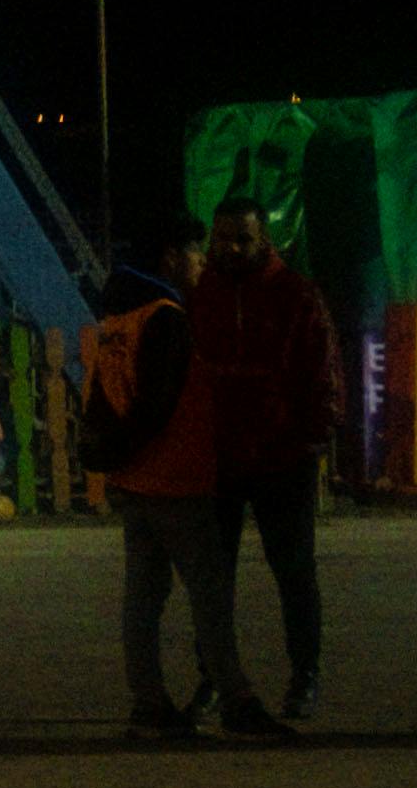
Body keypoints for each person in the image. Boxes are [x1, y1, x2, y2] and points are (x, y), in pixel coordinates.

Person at [84, 249, 278, 739]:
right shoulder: (165, 318)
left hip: (132, 479)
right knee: (210, 594)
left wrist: (118, 457)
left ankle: (148, 702)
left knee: (143, 597)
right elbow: (162, 400)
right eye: (192, 254)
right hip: (175, 477)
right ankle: (236, 697)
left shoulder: (115, 322)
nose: (199, 263)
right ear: (169, 260)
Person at [186, 193, 337, 723]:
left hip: (281, 458)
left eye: (242, 239)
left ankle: (305, 676)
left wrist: (308, 441)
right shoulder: (203, 295)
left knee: (294, 572)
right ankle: (215, 677)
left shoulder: (295, 294)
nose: (230, 248)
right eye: (222, 238)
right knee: (213, 579)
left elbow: (320, 372)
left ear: (264, 238)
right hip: (222, 459)